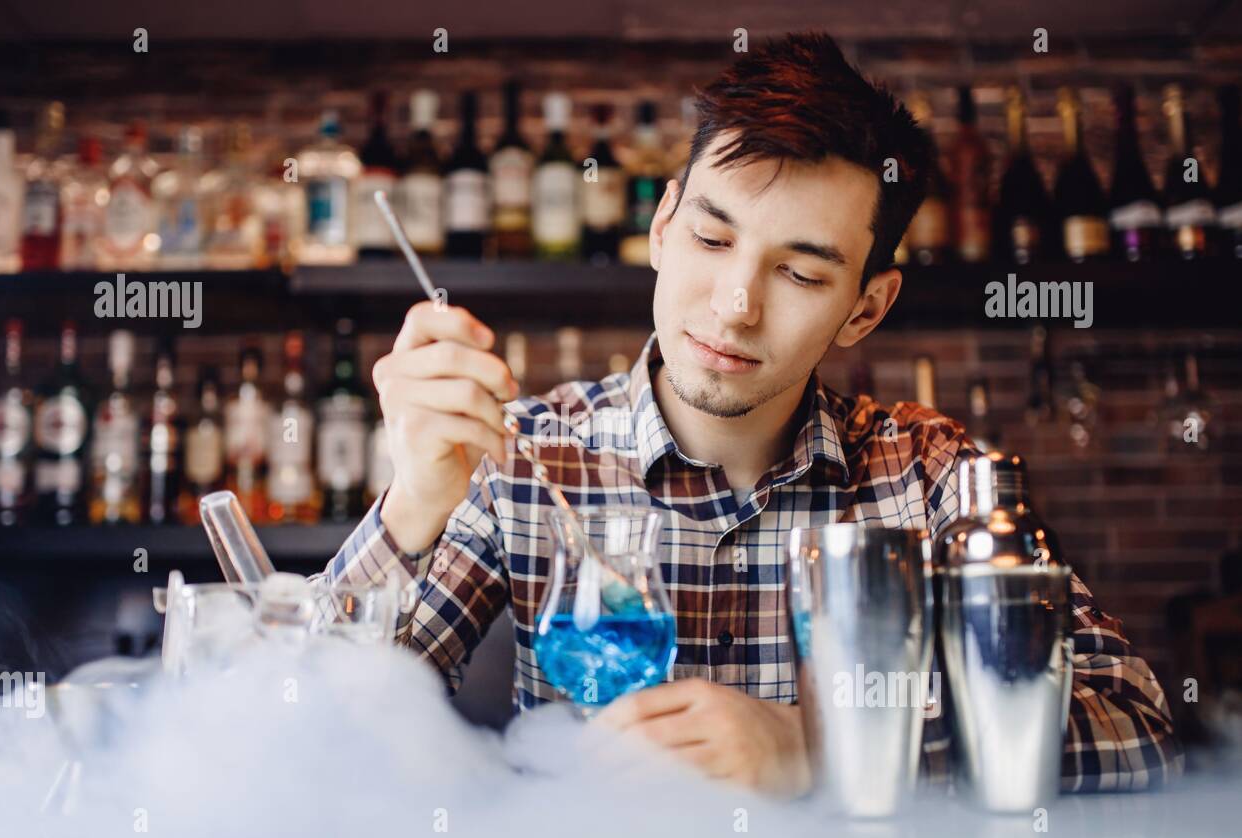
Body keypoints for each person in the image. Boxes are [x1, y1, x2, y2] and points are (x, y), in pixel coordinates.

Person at [321, 32, 1182, 797]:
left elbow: (1136, 721)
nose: (735, 306)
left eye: (802, 274)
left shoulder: (926, 474)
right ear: (661, 226)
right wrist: (411, 507)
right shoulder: (525, 456)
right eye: (711, 238)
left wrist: (824, 748)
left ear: (865, 309)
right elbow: (320, 732)